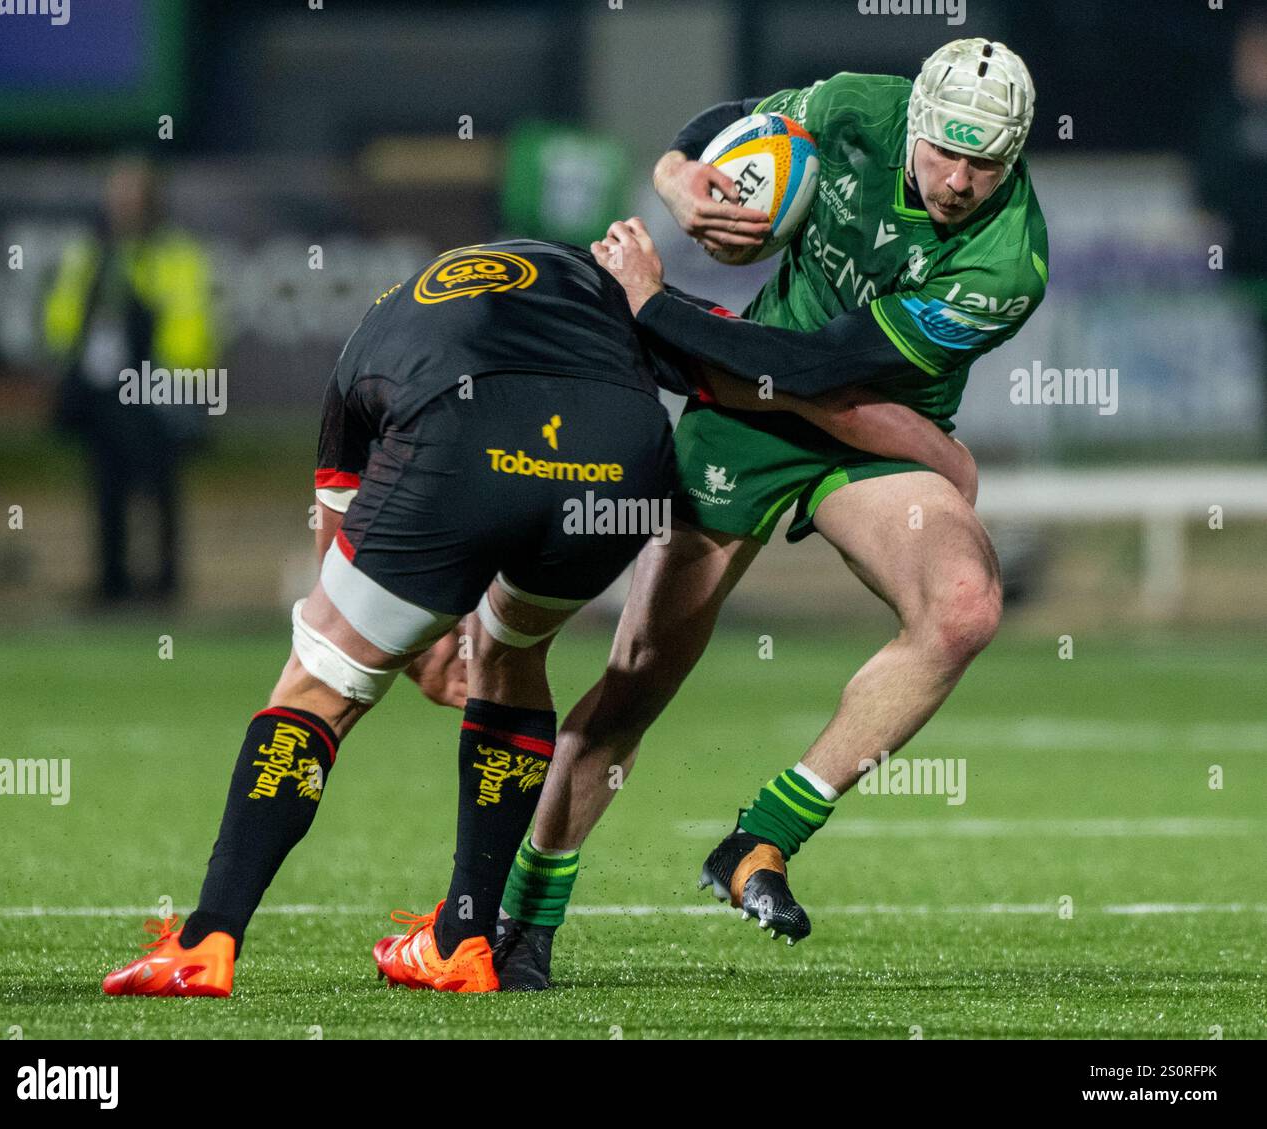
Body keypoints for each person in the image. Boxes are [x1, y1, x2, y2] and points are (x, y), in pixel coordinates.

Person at [99, 237, 974, 996]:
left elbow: (342, 530)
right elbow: (766, 374)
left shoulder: (379, 327)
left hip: (460, 438)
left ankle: (207, 938)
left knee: (321, 680)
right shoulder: (615, 294)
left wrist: (412, 645)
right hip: (618, 463)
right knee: (513, 658)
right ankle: (464, 938)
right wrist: (934, 447)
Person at [495, 38, 1048, 989]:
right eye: (946, 151)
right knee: (638, 677)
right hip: (746, 417)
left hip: (867, 420)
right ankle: (522, 921)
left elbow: (823, 369)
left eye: (985, 163)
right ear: (914, 122)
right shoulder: (855, 108)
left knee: (964, 606)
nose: (959, 182)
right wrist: (678, 183)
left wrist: (656, 311)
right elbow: (721, 130)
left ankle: (761, 840)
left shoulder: (1009, 263)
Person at [45, 156, 216, 605]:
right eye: (117, 196)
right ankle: (112, 582)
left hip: (155, 388)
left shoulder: (173, 253)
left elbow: (191, 322)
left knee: (160, 489)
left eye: (132, 197)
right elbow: (62, 315)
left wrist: (179, 382)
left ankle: (164, 584)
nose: (123, 206)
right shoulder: (90, 251)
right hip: (103, 390)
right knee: (106, 487)